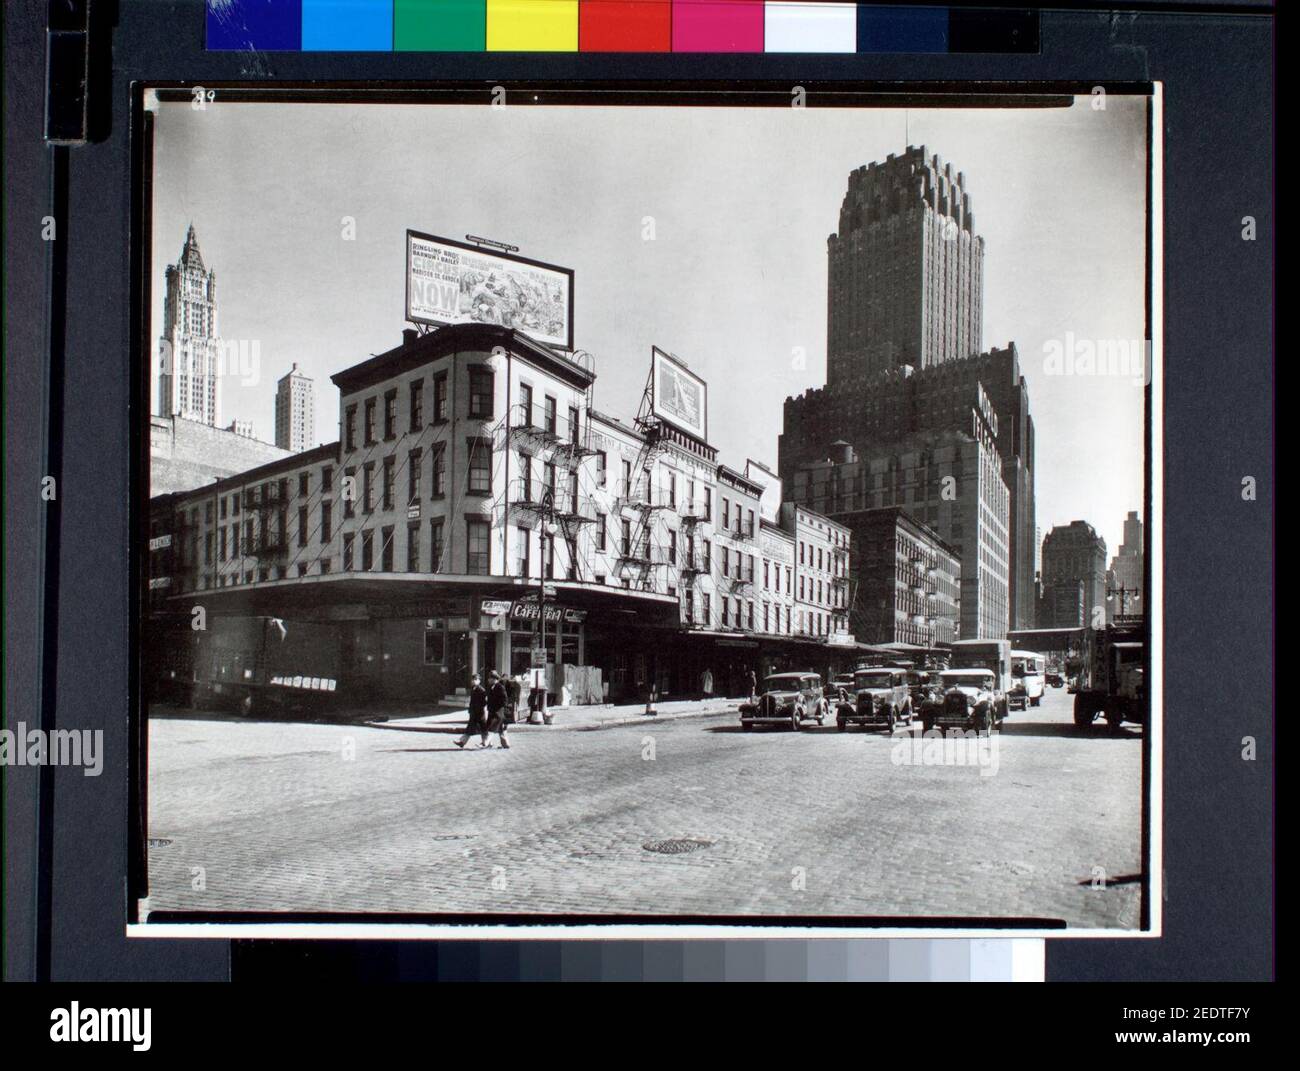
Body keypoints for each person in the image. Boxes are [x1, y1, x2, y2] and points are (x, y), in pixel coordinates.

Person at [455, 673, 490, 749]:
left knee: (483, 728)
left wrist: (480, 709)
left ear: (479, 681)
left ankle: (487, 743)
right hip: (474, 712)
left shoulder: (481, 690)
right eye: (472, 679)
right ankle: (462, 742)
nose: (473, 681)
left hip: (480, 713)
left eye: (475, 679)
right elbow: (472, 701)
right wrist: (470, 710)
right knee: (470, 728)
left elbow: (484, 702)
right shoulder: (473, 689)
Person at [486, 670, 511, 749]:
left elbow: (505, 699)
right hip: (492, 711)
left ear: (494, 679)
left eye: (490, 678)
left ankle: (486, 743)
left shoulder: (500, 687)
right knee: (500, 728)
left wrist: (501, 708)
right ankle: (505, 744)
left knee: (492, 727)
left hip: (498, 711)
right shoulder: (491, 687)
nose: (488, 680)